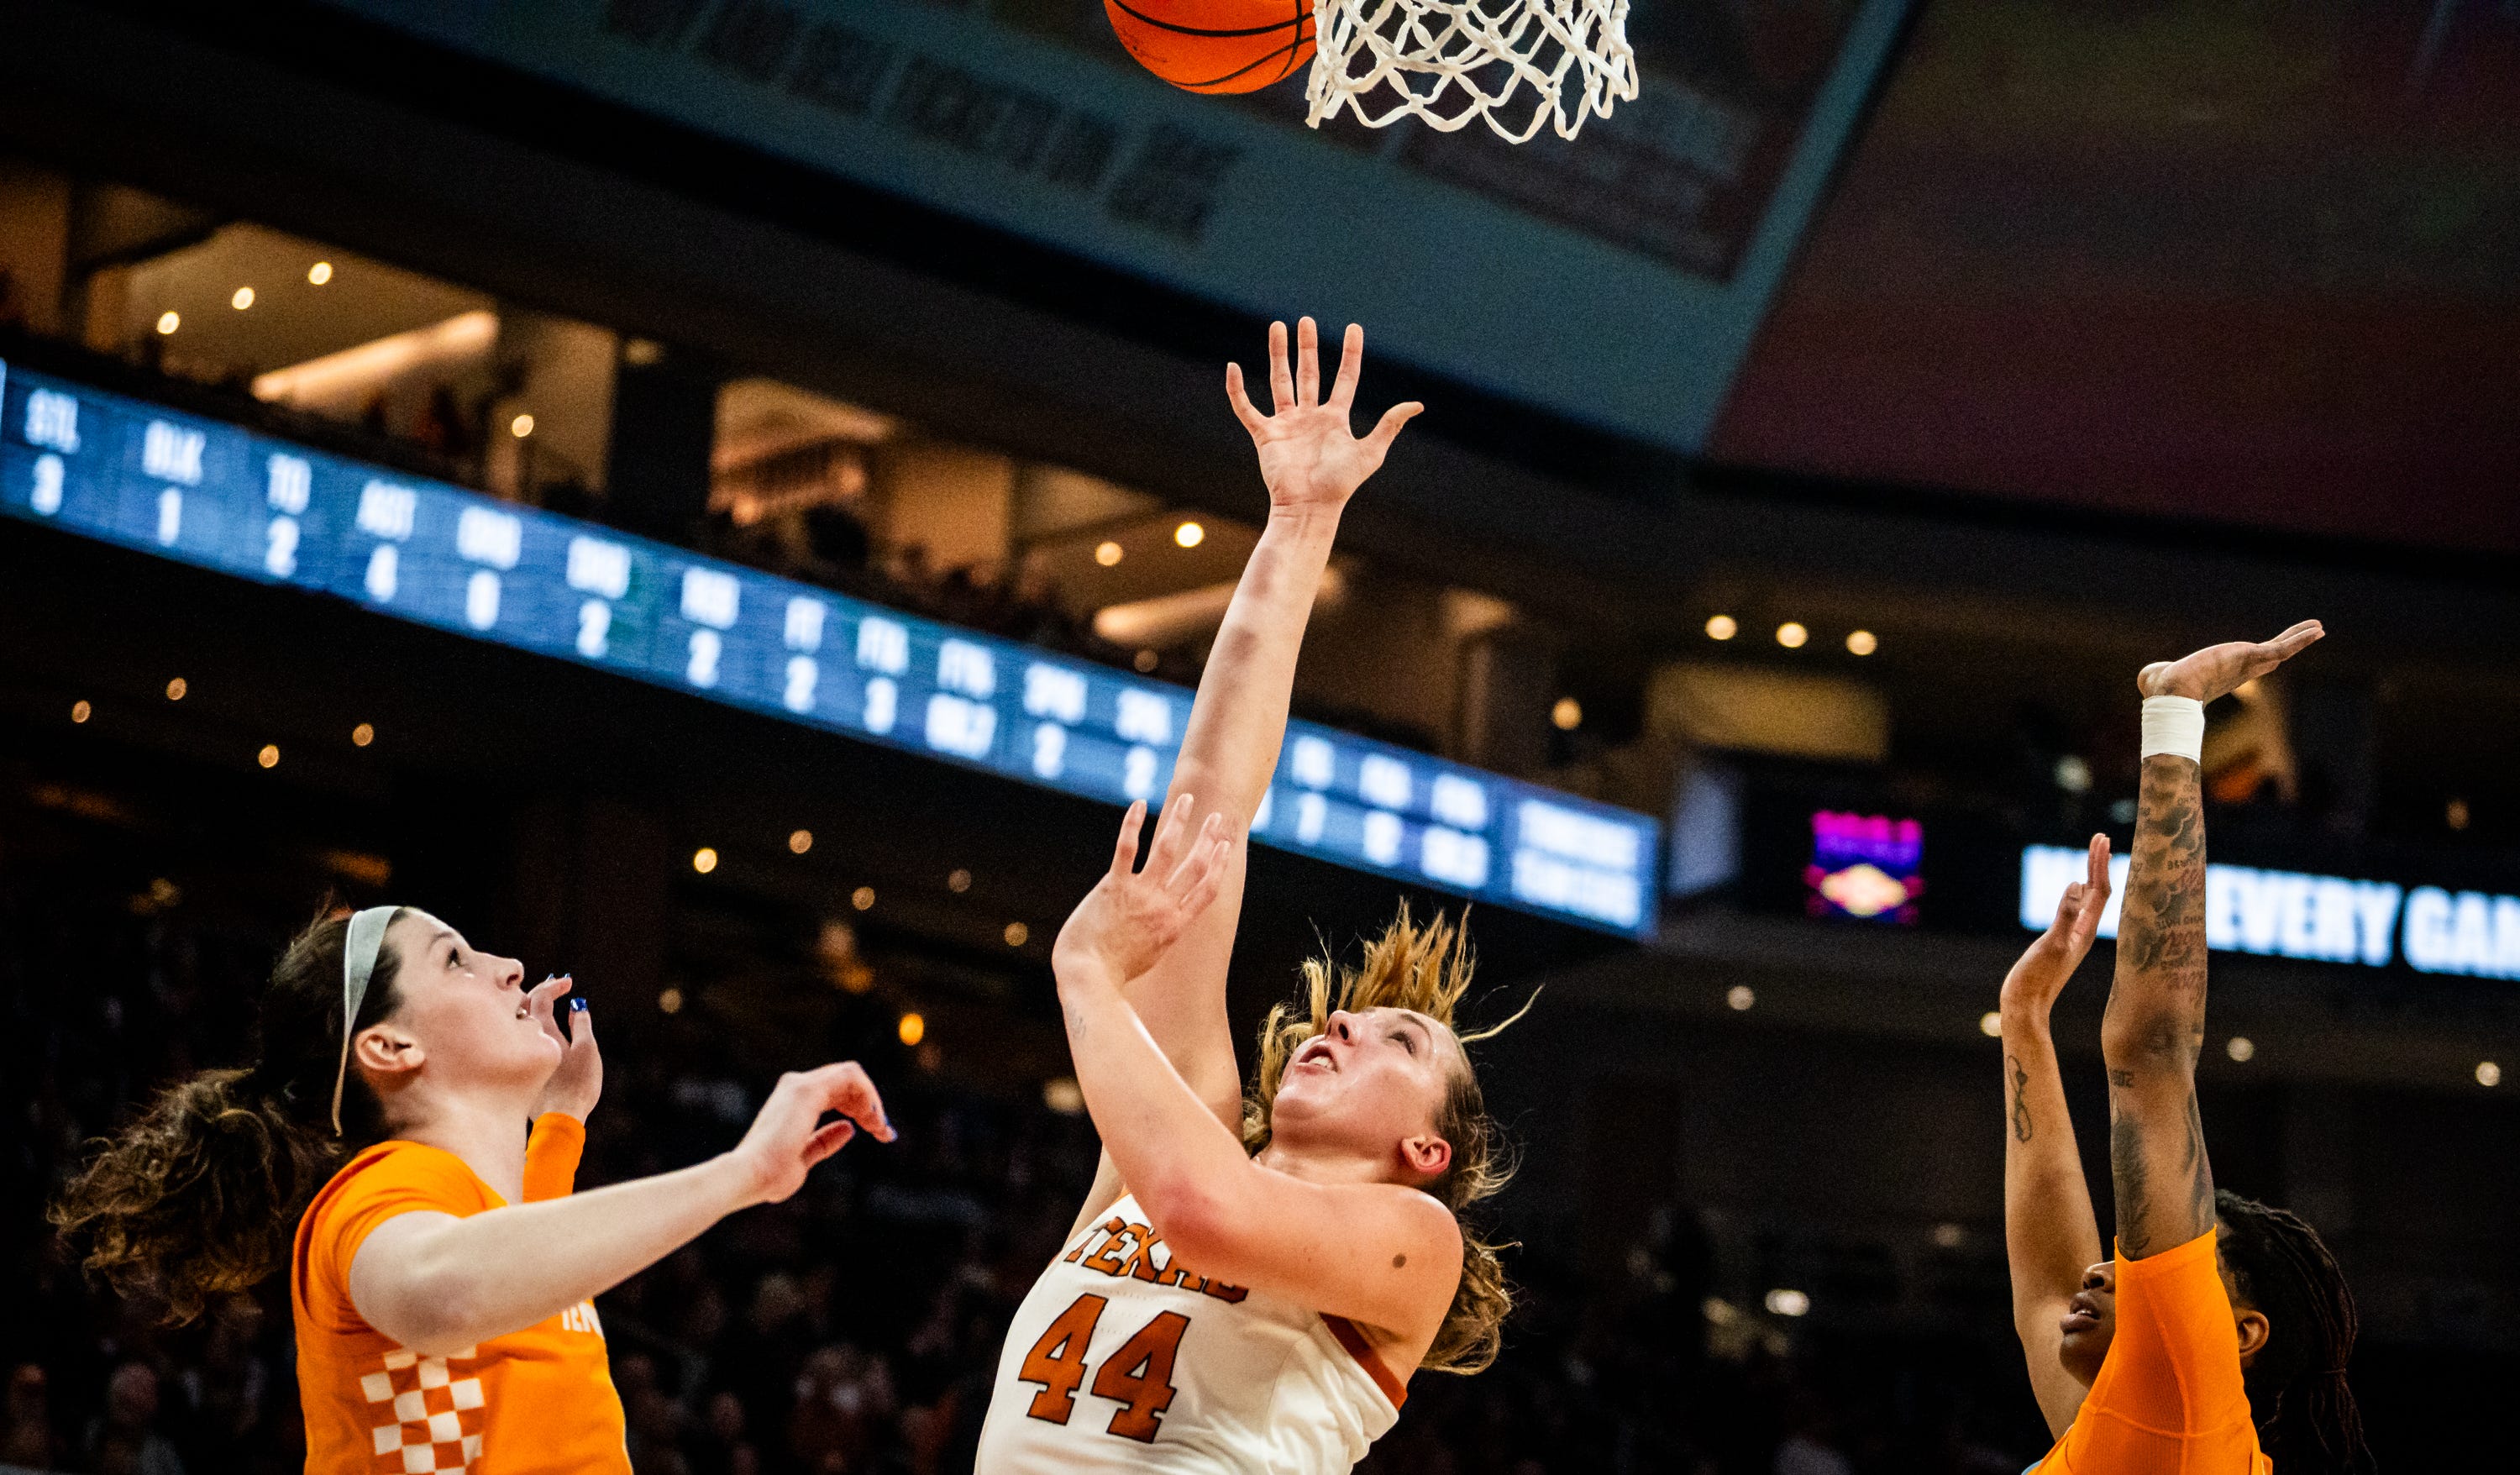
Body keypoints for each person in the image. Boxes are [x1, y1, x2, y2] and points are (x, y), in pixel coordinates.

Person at [975, 318, 1519, 1472]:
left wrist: (1087, 973)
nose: (1338, 1023)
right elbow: (1209, 800)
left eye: (1398, 1040)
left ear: (1429, 1150)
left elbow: (1204, 1212)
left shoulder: (1416, 1246)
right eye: (1352, 1014)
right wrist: (1299, 525)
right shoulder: (1174, 1142)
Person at [53, 905, 893, 1473]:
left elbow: (513, 1267)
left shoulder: (496, 1210)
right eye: (455, 959)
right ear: (388, 1048)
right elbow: (443, 1290)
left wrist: (558, 1125)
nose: (509, 966)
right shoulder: (365, 1198)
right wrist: (740, 1174)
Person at [1998, 622, 2373, 1474]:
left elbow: (2153, 1051)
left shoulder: (2179, 1425)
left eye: (2136, 1258)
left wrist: (2174, 720)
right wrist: (2024, 1017)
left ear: (2241, 1336)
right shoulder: (2143, 1434)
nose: (2104, 1266)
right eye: (2150, 1256)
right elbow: (2050, 1286)